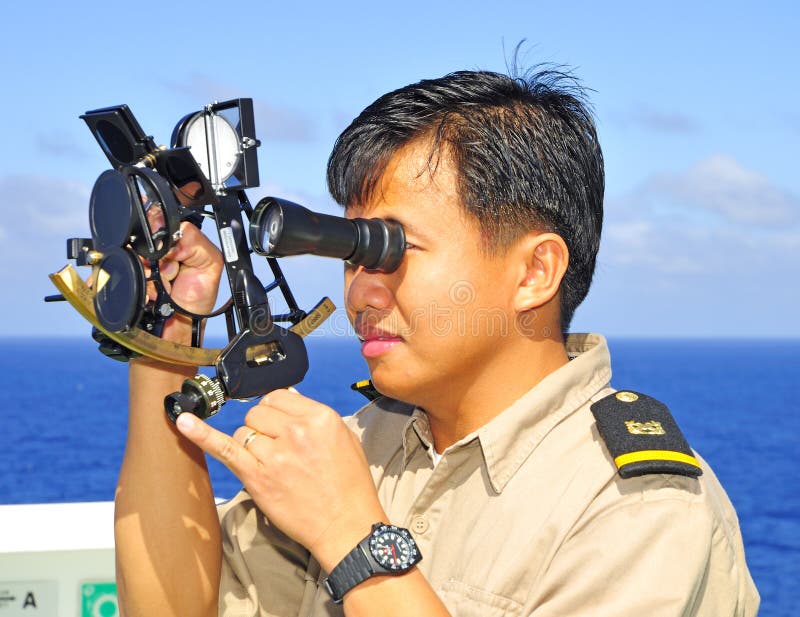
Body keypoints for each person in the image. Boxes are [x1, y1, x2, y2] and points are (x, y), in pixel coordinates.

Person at [114, 68, 760, 616]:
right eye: (351, 251)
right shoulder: (356, 453)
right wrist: (167, 337)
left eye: (391, 248)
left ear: (534, 272)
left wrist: (352, 538)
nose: (361, 291)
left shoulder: (637, 508)